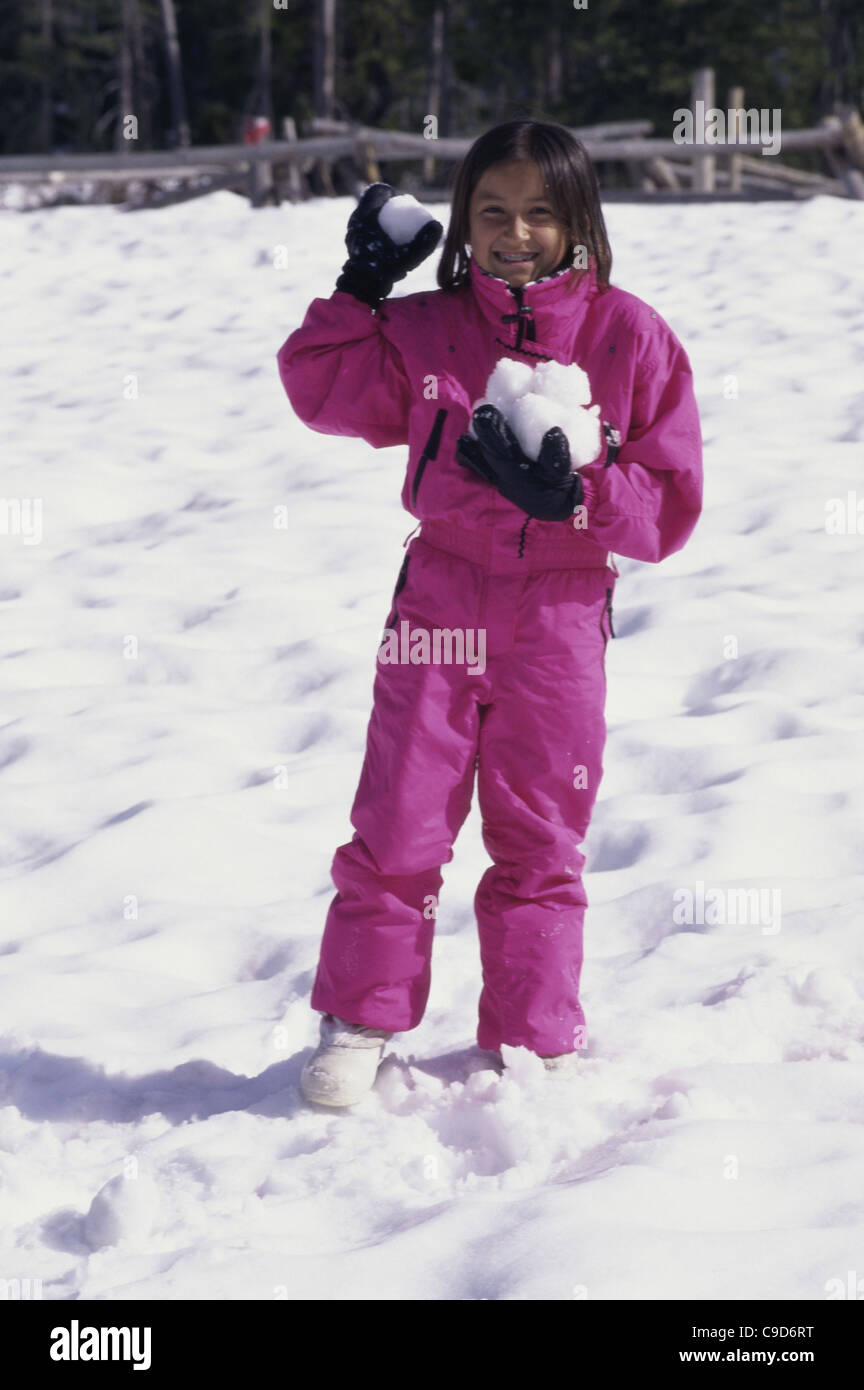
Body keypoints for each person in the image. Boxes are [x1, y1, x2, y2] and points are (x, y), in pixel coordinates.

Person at [276, 119, 703, 1107]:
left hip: (559, 614)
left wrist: (581, 496)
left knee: (542, 828)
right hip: (443, 594)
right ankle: (360, 1020)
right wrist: (358, 292)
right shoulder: (429, 329)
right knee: (399, 816)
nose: (517, 233)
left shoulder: (627, 335)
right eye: (494, 211)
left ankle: (533, 1031)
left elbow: (670, 501)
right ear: (466, 220)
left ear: (578, 221)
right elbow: (322, 392)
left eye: (541, 213)